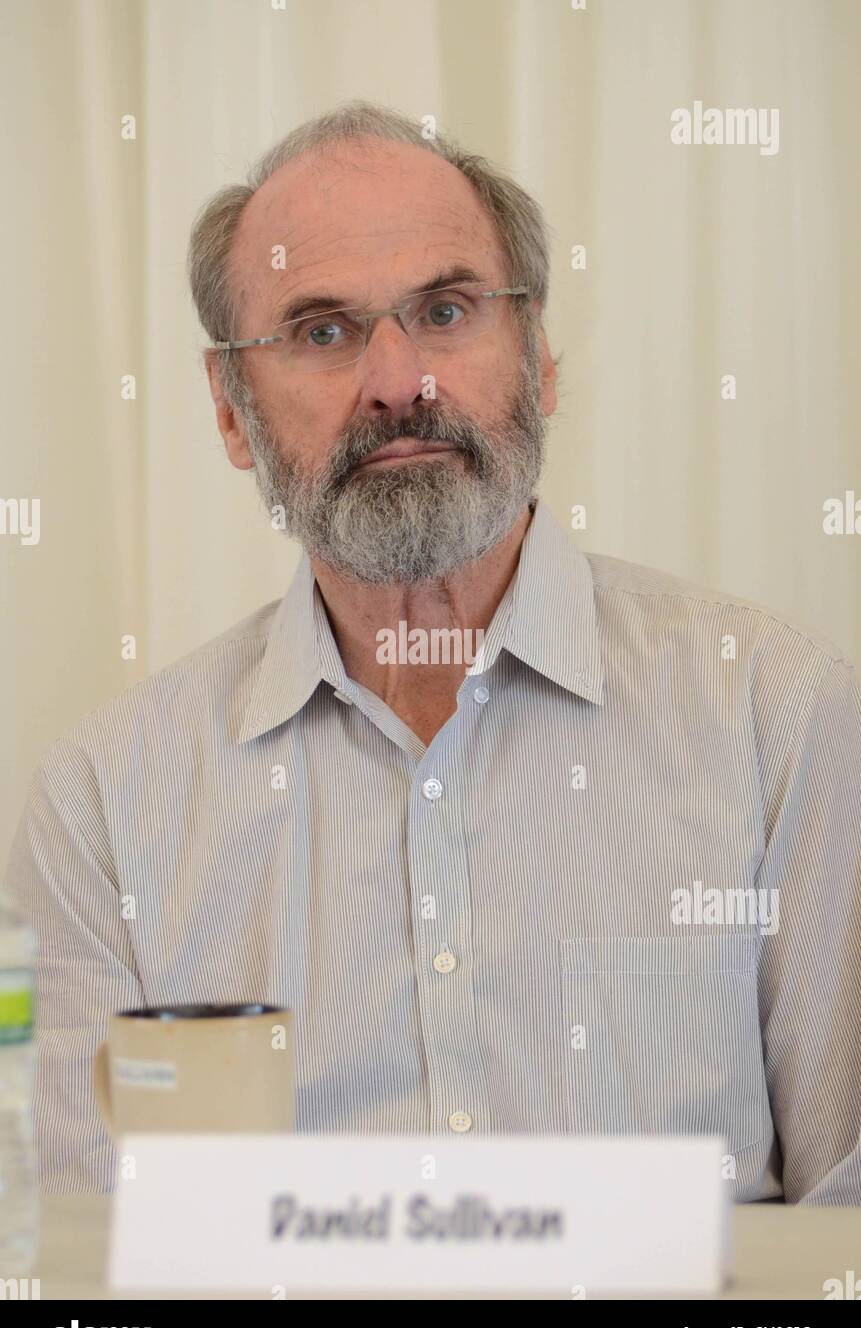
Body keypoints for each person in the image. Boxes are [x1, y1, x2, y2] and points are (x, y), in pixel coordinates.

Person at [6, 101, 861, 1200]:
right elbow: (86, 1267)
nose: (397, 379)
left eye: (447, 310)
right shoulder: (102, 811)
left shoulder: (777, 720)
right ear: (230, 409)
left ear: (539, 357)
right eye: (321, 330)